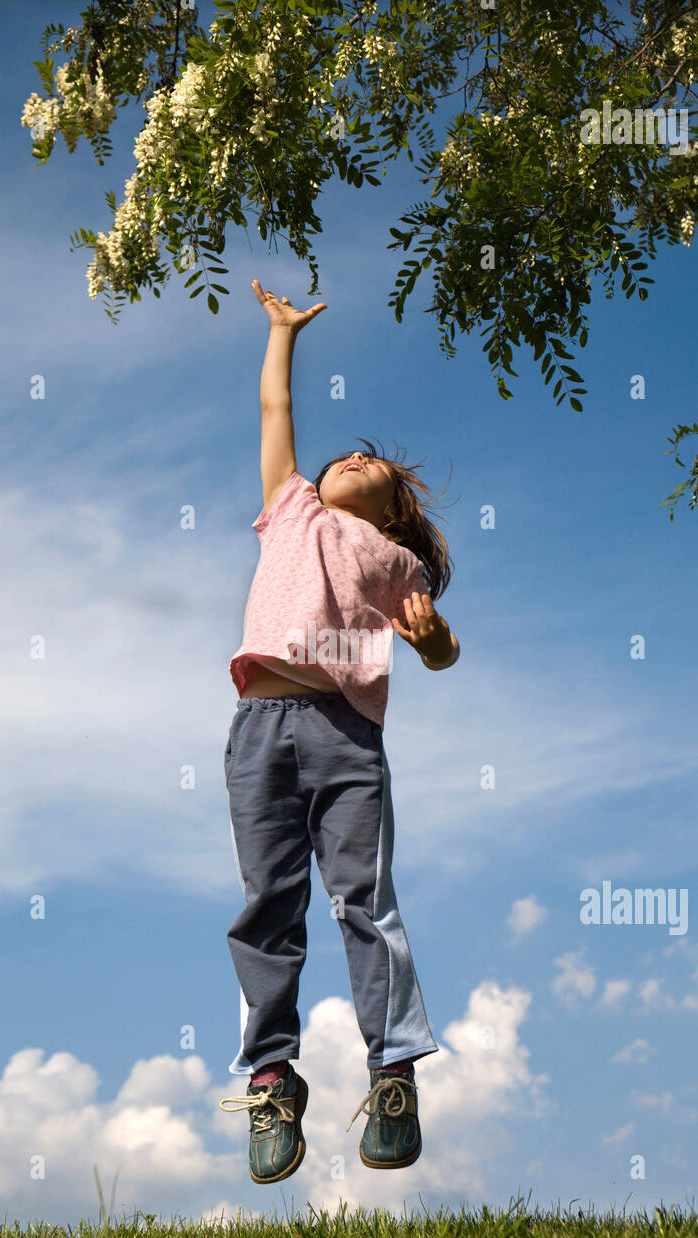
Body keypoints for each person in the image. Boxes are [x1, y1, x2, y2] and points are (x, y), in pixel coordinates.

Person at [218, 280, 460, 1184]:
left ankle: (392, 1072)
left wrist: (435, 641)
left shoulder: (394, 559)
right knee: (266, 907)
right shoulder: (291, 507)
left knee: (364, 899)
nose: (353, 453)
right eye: (348, 452)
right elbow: (275, 404)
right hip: (257, 729)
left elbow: (439, 650)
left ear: (395, 511)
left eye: (375, 464)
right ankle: (273, 1077)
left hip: (344, 733)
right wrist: (282, 334)